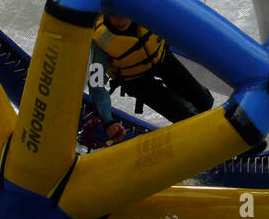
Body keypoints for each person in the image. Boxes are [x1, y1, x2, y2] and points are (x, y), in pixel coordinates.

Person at [88, 14, 213, 143]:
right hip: (135, 81)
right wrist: (108, 121)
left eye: (124, 13)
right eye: (115, 15)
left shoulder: (147, 11)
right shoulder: (101, 41)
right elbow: (96, 85)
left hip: (161, 59)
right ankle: (205, 144)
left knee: (205, 101)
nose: (121, 20)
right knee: (187, 115)